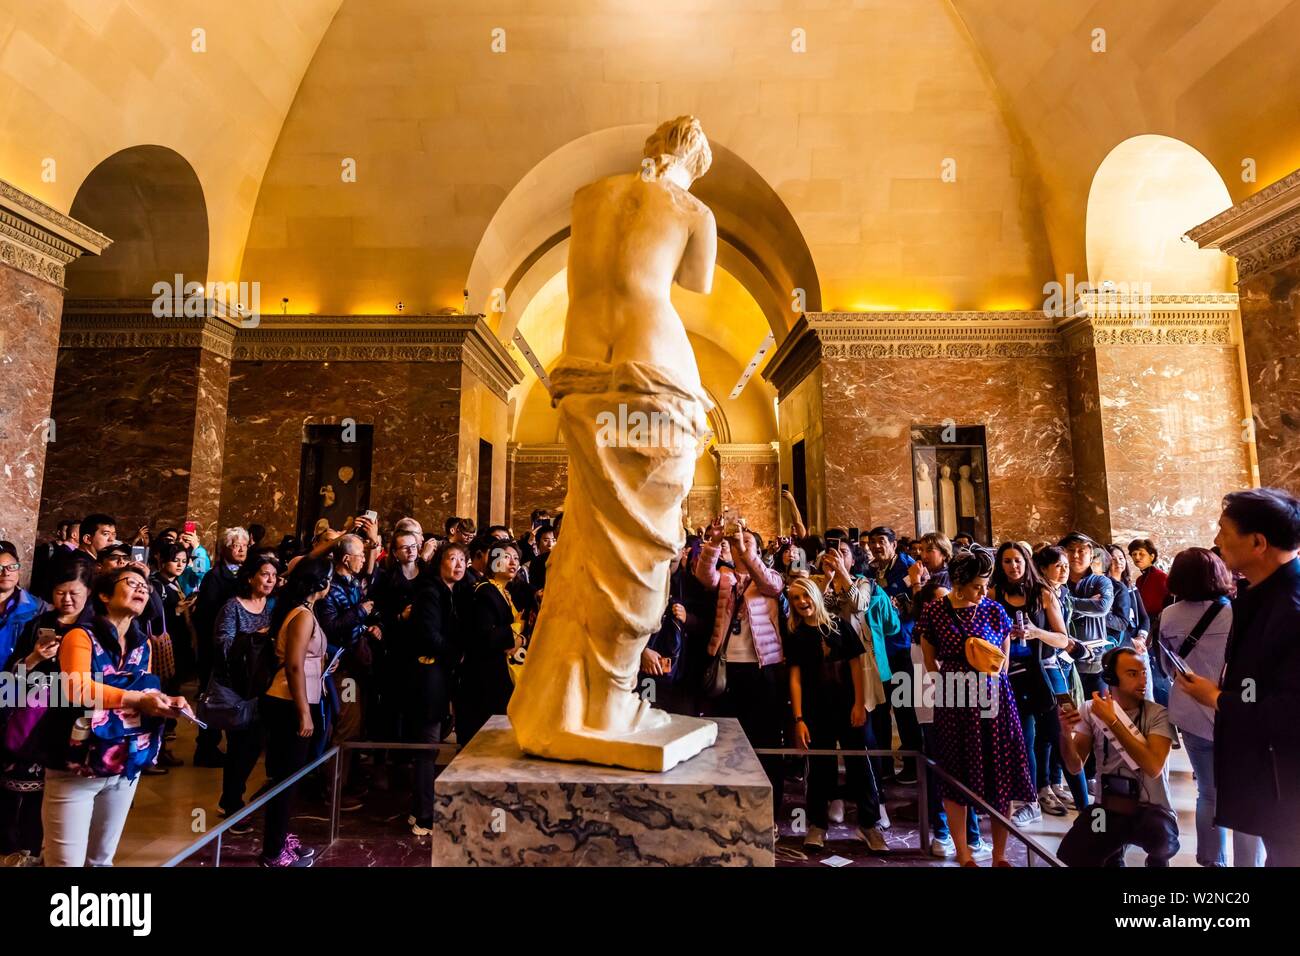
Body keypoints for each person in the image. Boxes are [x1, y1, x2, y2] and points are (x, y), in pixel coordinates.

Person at [1177, 488, 1300, 867]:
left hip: (1287, 789)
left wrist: (1216, 698)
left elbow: (1289, 711)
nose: (1216, 541)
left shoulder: (1291, 607)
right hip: (1269, 782)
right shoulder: (1260, 595)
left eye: (1223, 530)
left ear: (1258, 542)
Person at [43, 565, 188, 866]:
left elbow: (143, 689)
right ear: (105, 595)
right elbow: (77, 689)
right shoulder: (80, 636)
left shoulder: (142, 644)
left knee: (101, 860)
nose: (142, 589)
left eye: (145, 587)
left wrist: (165, 701)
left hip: (123, 761)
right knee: (65, 863)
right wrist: (134, 698)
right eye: (131, 583)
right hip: (76, 765)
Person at [915, 548, 1034, 867]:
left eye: (986, 584)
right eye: (978, 586)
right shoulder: (935, 611)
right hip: (954, 702)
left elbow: (1004, 660)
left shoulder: (995, 610)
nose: (984, 591)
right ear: (959, 582)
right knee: (956, 774)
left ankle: (998, 854)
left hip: (995, 700)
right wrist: (951, 687)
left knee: (1001, 774)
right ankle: (964, 852)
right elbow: (929, 660)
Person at [1158, 547, 1264, 867]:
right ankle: (1249, 864)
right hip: (1232, 711)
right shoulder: (1235, 612)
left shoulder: (1168, 616)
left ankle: (1211, 859)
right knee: (1246, 794)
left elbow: (1166, 667)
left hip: (1191, 713)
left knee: (1208, 791)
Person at [0, 557, 94, 863]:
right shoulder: (37, 624)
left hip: (73, 722)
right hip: (32, 721)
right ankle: (21, 851)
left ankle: (52, 853)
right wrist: (35, 659)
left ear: (89, 593)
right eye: (59, 593)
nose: (66, 600)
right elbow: (11, 682)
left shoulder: (95, 629)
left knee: (64, 800)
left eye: (74, 594)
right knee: (20, 796)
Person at [786, 576, 885, 851]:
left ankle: (869, 824)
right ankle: (817, 824)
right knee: (819, 769)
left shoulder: (839, 625)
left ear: (815, 596)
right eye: (795, 598)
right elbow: (794, 679)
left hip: (848, 705)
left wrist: (858, 703)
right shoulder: (795, 635)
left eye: (805, 596)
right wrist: (799, 719)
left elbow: (856, 665)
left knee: (862, 766)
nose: (802, 602)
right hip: (816, 709)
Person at [695, 518, 786, 815]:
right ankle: (728, 802)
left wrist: (748, 553)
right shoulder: (725, 577)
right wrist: (713, 543)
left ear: (757, 551)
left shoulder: (771, 577)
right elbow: (702, 575)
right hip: (728, 666)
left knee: (766, 737)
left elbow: (769, 585)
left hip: (762, 668)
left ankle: (768, 807)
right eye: (735, 545)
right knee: (728, 734)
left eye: (746, 544)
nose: (739, 548)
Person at [1056, 648, 1179, 867]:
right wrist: (1065, 733)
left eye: (1143, 673)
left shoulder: (1158, 714)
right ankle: (1113, 856)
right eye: (1132, 674)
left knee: (1159, 838)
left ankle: (1157, 862)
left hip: (1151, 810)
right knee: (1074, 850)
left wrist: (1113, 722)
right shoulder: (1091, 710)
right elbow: (1075, 767)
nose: (1142, 680)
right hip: (1108, 809)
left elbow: (1153, 767)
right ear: (1111, 678)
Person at [988, 541, 1071, 826]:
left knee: (1056, 734)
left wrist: (1036, 632)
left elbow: (1063, 638)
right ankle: (1030, 799)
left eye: (1018, 560)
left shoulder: (1043, 594)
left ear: (1027, 562)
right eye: (1007, 561)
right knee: (1023, 738)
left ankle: (1058, 790)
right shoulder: (994, 594)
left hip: (1044, 672)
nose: (1013, 566)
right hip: (1009, 675)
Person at [259, 557, 333, 867]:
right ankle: (273, 853)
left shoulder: (304, 612)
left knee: (289, 777)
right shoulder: (302, 616)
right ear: (319, 584)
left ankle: (279, 838)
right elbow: (293, 665)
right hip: (290, 702)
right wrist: (304, 713)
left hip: (298, 699)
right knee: (285, 780)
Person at [406, 542, 470, 835]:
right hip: (427, 675)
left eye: (462, 559)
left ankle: (419, 808)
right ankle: (423, 816)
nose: (458, 564)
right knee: (427, 746)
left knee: (431, 744)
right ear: (439, 562)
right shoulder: (430, 591)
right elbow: (429, 635)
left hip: (441, 674)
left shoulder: (455, 591)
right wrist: (456, 654)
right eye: (451, 558)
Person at [213, 554, 279, 824]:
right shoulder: (233, 607)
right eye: (265, 574)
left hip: (264, 684)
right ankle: (230, 802)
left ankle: (234, 796)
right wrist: (255, 637)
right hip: (239, 686)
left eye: (274, 576)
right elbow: (222, 644)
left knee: (255, 745)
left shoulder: (273, 605)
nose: (270, 580)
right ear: (250, 577)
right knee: (239, 746)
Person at [865, 526, 922, 784]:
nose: (876, 547)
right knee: (880, 709)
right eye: (872, 543)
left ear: (893, 544)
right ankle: (884, 765)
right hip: (879, 651)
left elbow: (916, 607)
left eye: (881, 542)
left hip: (901, 649)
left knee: (904, 708)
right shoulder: (872, 570)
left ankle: (911, 765)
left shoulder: (909, 568)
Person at [191, 527, 251, 766]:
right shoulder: (215, 576)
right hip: (215, 648)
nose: (241, 549)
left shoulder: (245, 573)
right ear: (225, 548)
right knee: (212, 699)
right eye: (236, 545)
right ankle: (205, 748)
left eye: (244, 545)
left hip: (236, 649)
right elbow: (206, 616)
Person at [458, 542, 525, 744]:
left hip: (499, 674)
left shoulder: (505, 592)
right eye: (507, 557)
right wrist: (520, 634)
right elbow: (486, 636)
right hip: (484, 678)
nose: (513, 562)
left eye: (516, 558)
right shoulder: (485, 591)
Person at [1060, 532, 1114, 698]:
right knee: (1072, 718)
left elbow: (1102, 607)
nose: (1075, 555)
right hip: (1064, 661)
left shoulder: (1101, 581)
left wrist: (1066, 603)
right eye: (1070, 550)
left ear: (1091, 555)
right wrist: (1087, 603)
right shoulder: (1057, 582)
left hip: (1095, 662)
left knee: (1101, 715)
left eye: (1081, 550)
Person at [0, 541, 49, 675]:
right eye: (0, 567)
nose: (6, 573)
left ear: (19, 570)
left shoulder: (38, 608)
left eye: (12, 567)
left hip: (14, 684)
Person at [1129, 538, 1170, 621]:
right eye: (1134, 554)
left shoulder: (1161, 577)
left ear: (1152, 556)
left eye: (1141, 554)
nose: (1137, 557)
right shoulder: (1139, 580)